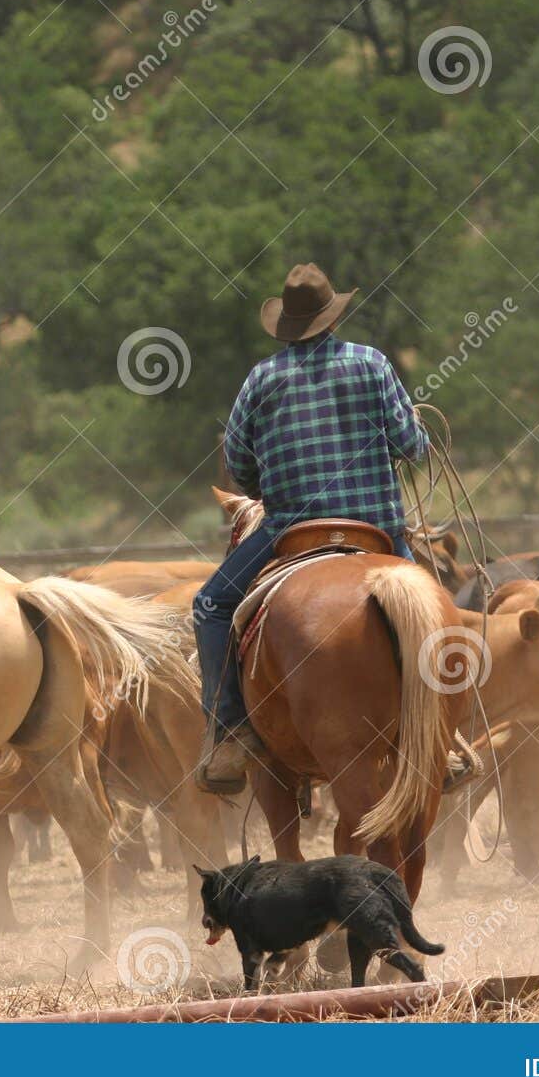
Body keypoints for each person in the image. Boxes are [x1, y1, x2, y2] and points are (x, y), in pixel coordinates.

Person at [194, 264, 428, 793]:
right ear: (332, 316)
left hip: (291, 533)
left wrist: (272, 476)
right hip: (378, 531)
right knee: (435, 612)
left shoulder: (261, 379)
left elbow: (239, 464)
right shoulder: (372, 363)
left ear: (287, 324)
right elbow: (411, 445)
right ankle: (450, 734)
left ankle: (229, 732)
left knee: (210, 605)